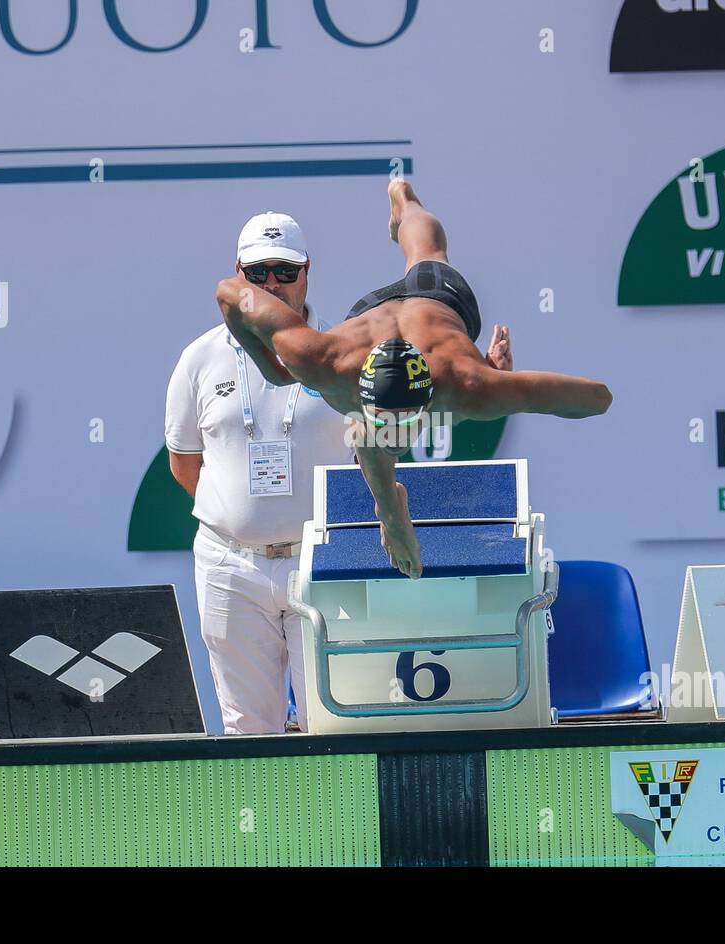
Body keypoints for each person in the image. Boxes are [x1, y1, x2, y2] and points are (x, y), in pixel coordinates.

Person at [216, 181, 612, 580]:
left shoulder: (468, 385)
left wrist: (506, 385)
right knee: (365, 438)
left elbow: (599, 399)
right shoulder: (319, 360)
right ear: (363, 396)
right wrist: (272, 367)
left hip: (436, 302)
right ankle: (402, 197)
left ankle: (403, 198)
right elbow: (231, 292)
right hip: (368, 319)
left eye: (406, 422)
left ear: (430, 400)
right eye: (385, 419)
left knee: (427, 249)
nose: (395, 436)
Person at [166, 212, 353, 734]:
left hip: (321, 563)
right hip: (231, 565)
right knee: (248, 727)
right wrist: (244, 522)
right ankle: (261, 821)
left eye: (285, 271)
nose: (271, 284)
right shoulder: (199, 359)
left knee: (334, 722)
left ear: (307, 273)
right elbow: (186, 462)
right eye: (258, 272)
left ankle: (338, 820)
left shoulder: (340, 353)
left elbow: (375, 454)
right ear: (237, 274)